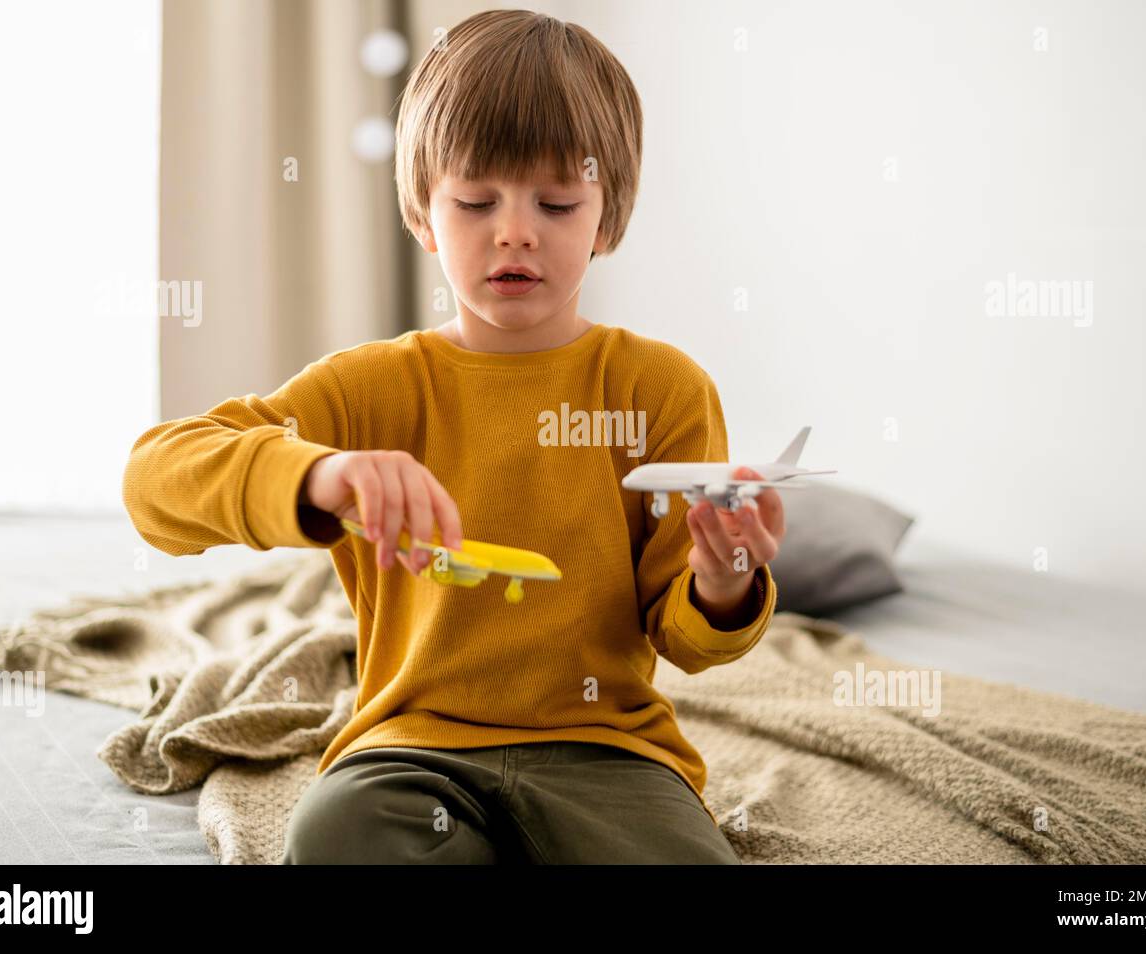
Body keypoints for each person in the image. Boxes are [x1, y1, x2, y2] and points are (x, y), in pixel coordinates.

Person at [123, 8, 785, 864]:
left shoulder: (662, 389)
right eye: (475, 200)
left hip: (610, 755)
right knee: (332, 837)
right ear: (423, 215)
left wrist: (725, 579)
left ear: (608, 218)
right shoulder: (370, 389)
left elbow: (686, 639)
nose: (514, 230)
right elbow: (153, 482)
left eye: (557, 201)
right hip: (407, 752)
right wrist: (313, 476)